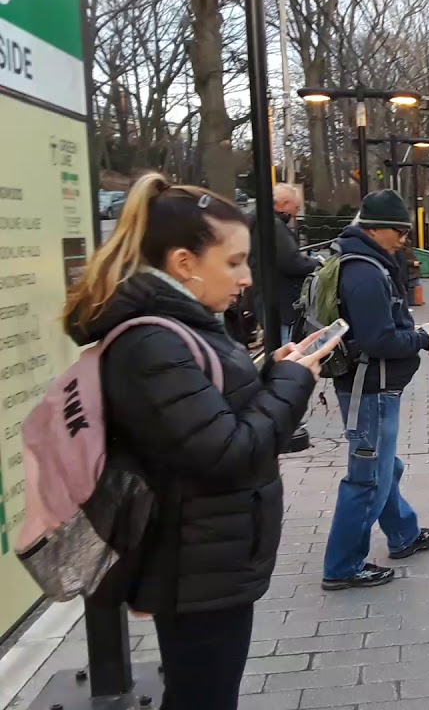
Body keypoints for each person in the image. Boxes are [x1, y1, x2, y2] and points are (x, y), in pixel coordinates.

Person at [63, 173, 341, 710]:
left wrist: (270, 371)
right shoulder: (154, 341)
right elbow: (228, 452)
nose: (245, 278)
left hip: (206, 555)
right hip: (195, 562)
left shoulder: (182, 325)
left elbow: (205, 415)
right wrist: (293, 382)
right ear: (184, 263)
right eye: (233, 262)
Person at [322, 190, 429, 590]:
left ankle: (404, 534)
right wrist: (424, 341)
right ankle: (342, 567)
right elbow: (378, 340)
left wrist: (417, 334)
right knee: (367, 478)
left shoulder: (365, 261)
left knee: (384, 467)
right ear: (375, 228)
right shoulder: (363, 272)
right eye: (398, 231)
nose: (403, 240)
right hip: (370, 388)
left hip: (373, 387)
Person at [253, 184, 319, 342]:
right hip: (280, 302)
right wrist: (316, 264)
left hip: (268, 297)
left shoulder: (262, 221)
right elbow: (291, 261)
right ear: (283, 203)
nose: (296, 213)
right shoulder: (274, 226)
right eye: (296, 207)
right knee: (285, 345)